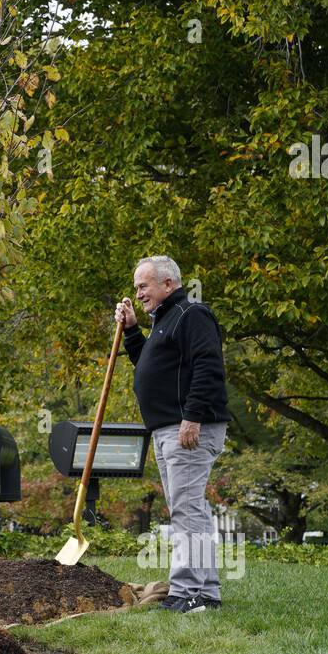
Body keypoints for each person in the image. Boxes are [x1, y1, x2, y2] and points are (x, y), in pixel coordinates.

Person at [115, 255, 231, 614]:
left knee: (186, 510)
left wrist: (192, 417)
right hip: (167, 430)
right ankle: (205, 593)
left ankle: (189, 592)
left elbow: (208, 365)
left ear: (168, 284)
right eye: (136, 287)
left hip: (187, 429)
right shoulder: (164, 321)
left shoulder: (191, 314)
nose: (138, 292)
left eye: (143, 286)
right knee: (186, 508)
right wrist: (133, 331)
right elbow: (153, 367)